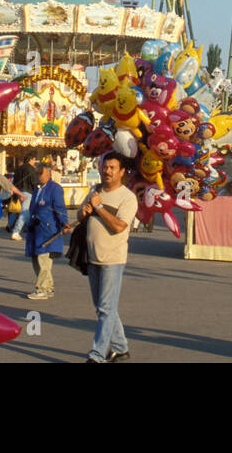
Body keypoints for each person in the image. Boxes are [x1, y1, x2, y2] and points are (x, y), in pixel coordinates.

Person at [79, 152, 138, 363]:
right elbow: (79, 216)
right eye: (106, 167)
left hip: (113, 259)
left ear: (122, 172)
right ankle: (121, 347)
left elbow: (119, 227)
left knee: (106, 308)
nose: (107, 171)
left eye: (113, 168)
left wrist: (99, 207)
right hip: (93, 256)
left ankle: (97, 355)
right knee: (104, 308)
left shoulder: (127, 197)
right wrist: (85, 211)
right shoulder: (95, 190)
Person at [24, 161, 70, 300]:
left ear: (48, 174)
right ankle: (48, 287)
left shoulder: (55, 189)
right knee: (35, 259)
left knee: (43, 260)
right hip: (35, 228)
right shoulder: (38, 188)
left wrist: (65, 222)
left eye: (41, 173)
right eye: (37, 173)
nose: (38, 176)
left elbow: (60, 207)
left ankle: (42, 289)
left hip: (48, 229)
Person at [9, 152, 40, 240]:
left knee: (27, 212)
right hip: (28, 192)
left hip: (19, 192)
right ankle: (16, 231)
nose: (35, 161)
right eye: (34, 159)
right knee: (25, 212)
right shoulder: (31, 169)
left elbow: (14, 182)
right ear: (31, 159)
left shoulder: (19, 168)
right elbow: (34, 182)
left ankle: (30, 229)